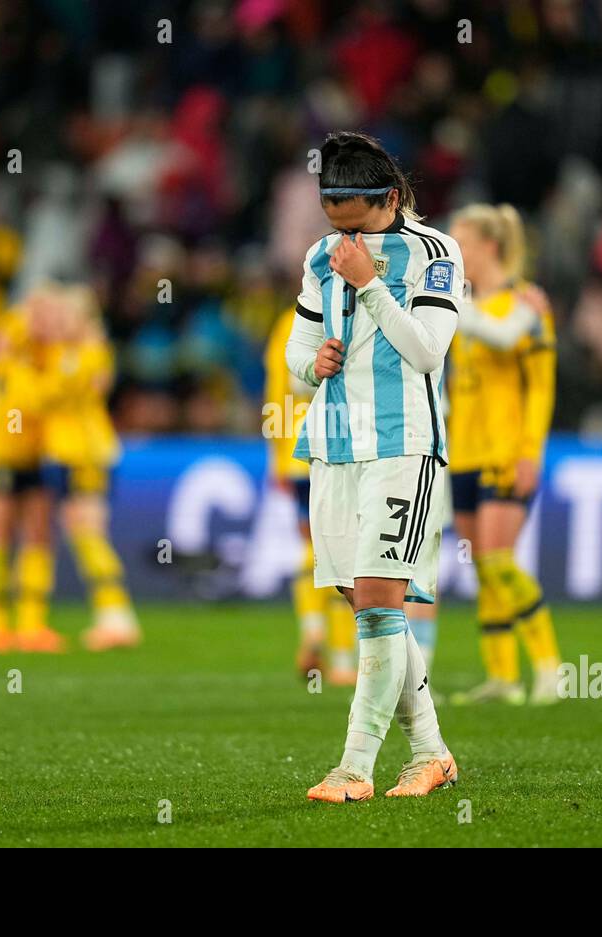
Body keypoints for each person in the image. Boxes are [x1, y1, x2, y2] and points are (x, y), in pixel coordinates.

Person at [286, 131, 461, 802]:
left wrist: (371, 287)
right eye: (336, 227)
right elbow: (297, 356)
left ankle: (353, 766)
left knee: (381, 602)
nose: (345, 243)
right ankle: (433, 755)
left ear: (390, 199)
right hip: (333, 446)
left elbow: (425, 352)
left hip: (403, 445)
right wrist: (312, 364)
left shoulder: (434, 252)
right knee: (363, 600)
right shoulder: (318, 256)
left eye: (357, 228)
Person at [447, 203, 562, 706]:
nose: (454, 251)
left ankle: (550, 667)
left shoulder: (527, 307)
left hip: (505, 450)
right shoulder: (459, 303)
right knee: (481, 566)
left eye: (461, 242)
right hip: (463, 452)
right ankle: (502, 677)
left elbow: (540, 387)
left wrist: (529, 451)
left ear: (488, 246)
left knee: (497, 559)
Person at [40, 285, 141, 651]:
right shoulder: (63, 351)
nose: (57, 324)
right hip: (65, 453)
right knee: (80, 534)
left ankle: (117, 616)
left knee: (90, 533)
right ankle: (108, 613)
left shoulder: (90, 351)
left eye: (65, 318)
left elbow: (76, 391)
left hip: (87, 453)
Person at [263, 312, 356, 686]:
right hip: (341, 445)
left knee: (312, 544)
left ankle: (313, 630)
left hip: (297, 450)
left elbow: (276, 391)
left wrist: (278, 457)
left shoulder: (287, 322)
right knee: (343, 551)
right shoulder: (350, 315)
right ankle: (345, 658)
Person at [0, 288, 61, 653]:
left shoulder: (51, 351)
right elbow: (28, 393)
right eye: (46, 316)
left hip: (35, 454)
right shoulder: (13, 337)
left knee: (38, 535)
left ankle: (31, 624)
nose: (51, 324)